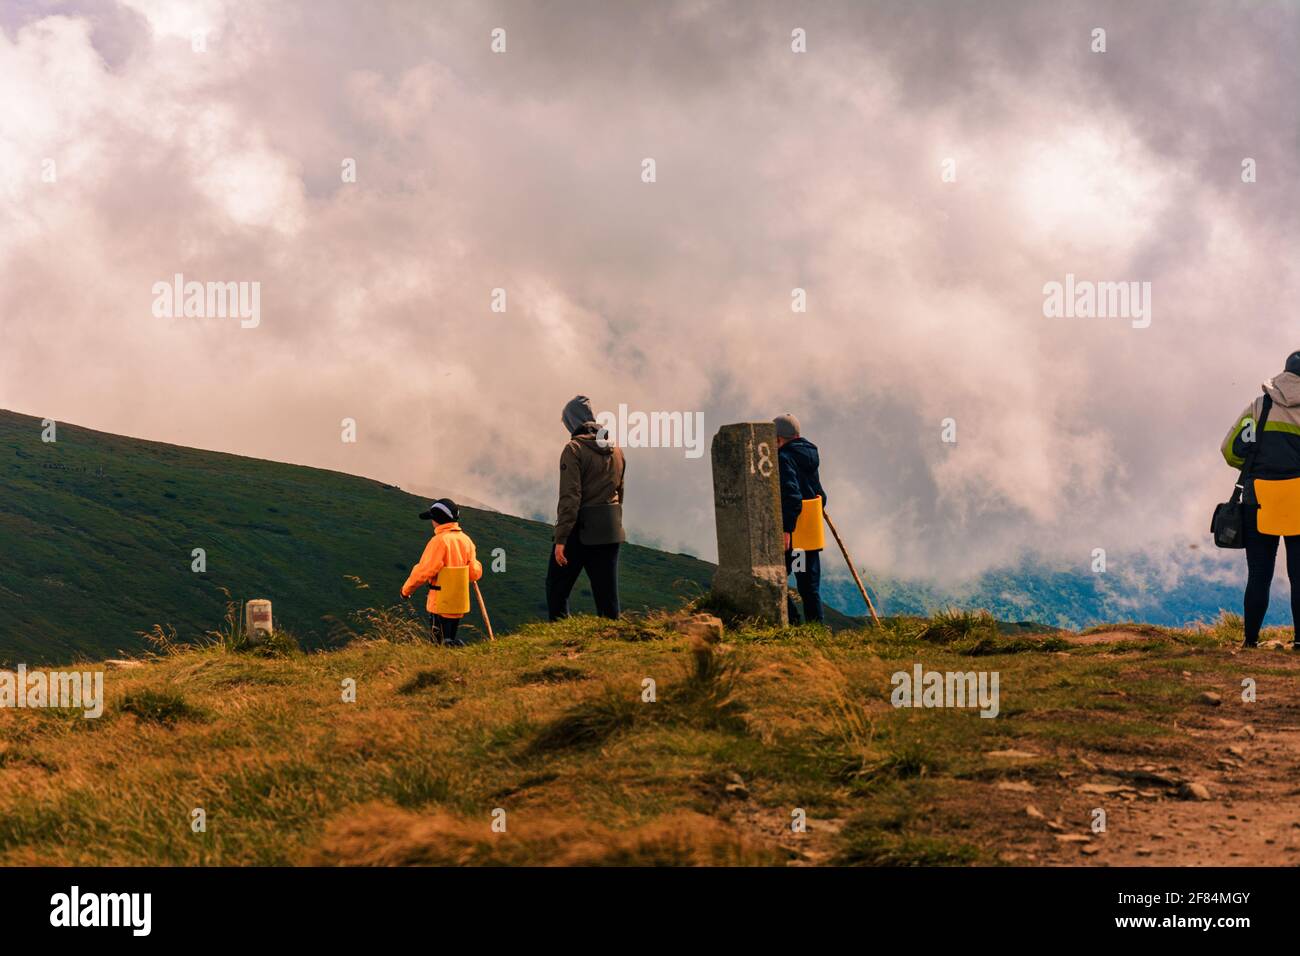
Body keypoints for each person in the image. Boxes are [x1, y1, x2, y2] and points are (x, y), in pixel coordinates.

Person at [1220, 351, 1300, 649]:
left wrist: (1256, 466)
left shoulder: (1259, 406)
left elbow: (1230, 451)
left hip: (1259, 501)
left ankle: (1250, 641)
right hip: (1299, 504)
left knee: (1259, 574)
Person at [547, 395, 626, 620]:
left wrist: (561, 539)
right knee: (607, 596)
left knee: (557, 587)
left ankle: (559, 638)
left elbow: (570, 497)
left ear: (572, 422)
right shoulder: (617, 450)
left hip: (580, 530)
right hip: (610, 529)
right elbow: (620, 493)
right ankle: (612, 643)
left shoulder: (573, 449)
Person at [400, 498, 483, 646]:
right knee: (449, 637)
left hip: (440, 601)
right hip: (459, 601)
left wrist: (406, 590)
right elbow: (474, 573)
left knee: (438, 643)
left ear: (437, 520)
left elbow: (424, 571)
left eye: (432, 519)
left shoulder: (439, 541)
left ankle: (452, 650)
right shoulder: (466, 540)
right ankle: (454, 650)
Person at [775, 413, 827, 624]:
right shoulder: (809, 455)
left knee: (775, 579)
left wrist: (787, 530)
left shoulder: (784, 457)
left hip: (794, 537)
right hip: (809, 535)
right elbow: (821, 496)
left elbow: (792, 496)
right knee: (808, 587)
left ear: (778, 439)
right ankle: (817, 630)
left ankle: (794, 622)